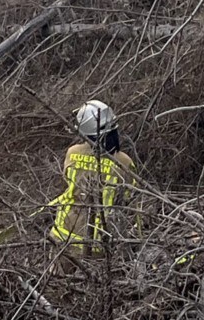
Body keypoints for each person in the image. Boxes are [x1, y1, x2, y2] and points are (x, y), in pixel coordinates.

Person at [49, 99, 138, 261]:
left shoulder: (72, 153)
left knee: (55, 283)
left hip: (62, 233)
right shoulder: (124, 162)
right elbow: (129, 200)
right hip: (99, 241)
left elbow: (66, 181)